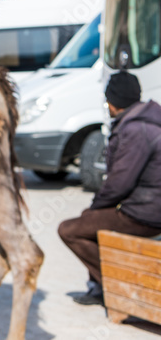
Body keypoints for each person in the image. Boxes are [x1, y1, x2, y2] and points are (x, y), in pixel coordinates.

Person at [58, 70, 161, 305]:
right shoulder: (150, 120)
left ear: (112, 102)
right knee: (90, 221)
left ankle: (114, 285)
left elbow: (118, 184)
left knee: (70, 229)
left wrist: (95, 208)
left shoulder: (135, 130)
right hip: (149, 208)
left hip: (145, 215)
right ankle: (102, 285)